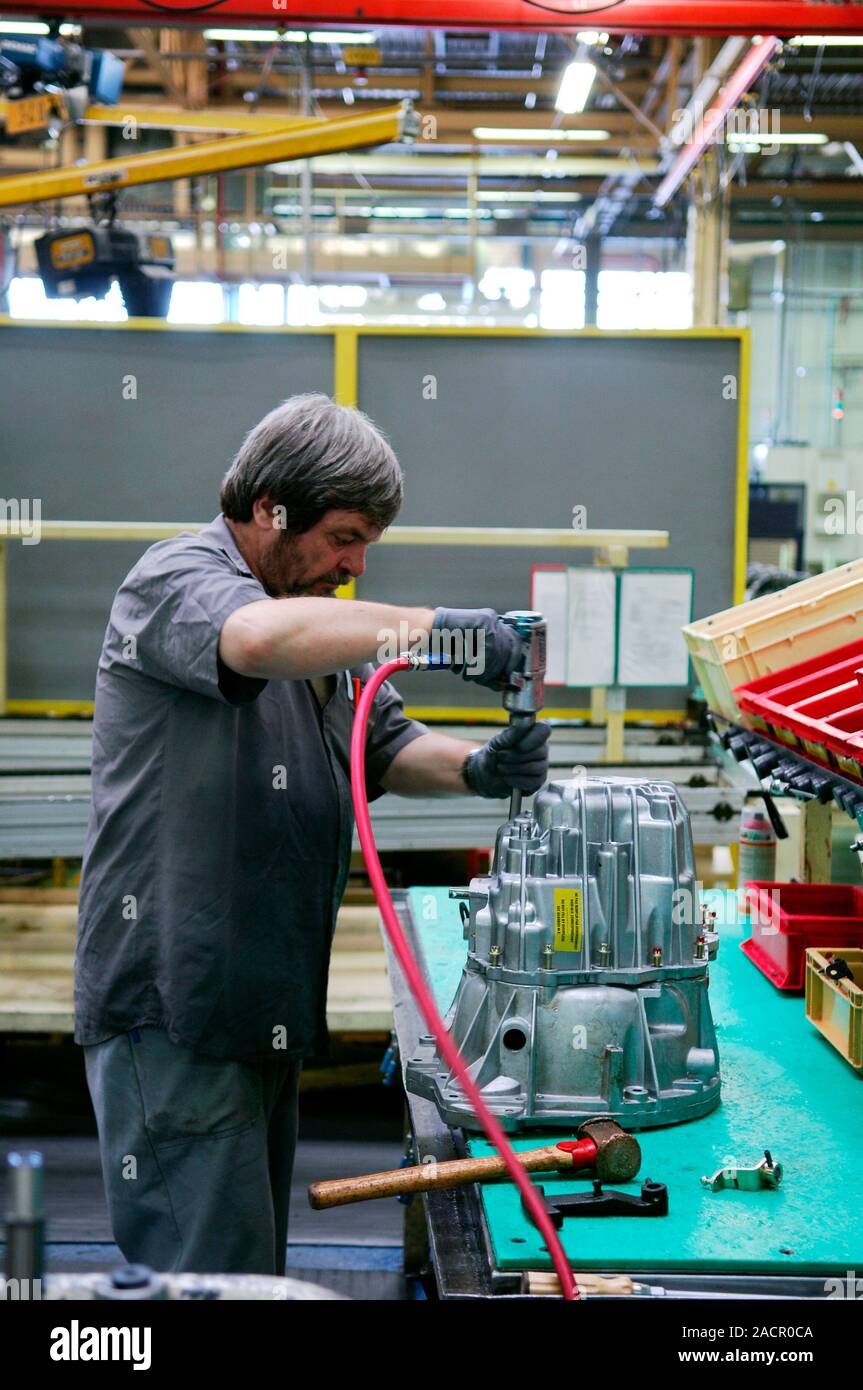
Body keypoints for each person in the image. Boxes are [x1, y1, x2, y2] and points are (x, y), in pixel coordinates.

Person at [75, 392, 550, 1276]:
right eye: (342, 537)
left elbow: (387, 742)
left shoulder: (317, 620)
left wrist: (480, 767)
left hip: (261, 1004)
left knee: (247, 1268)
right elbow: (253, 640)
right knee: (208, 1279)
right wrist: (440, 634)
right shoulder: (178, 579)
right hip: (174, 1005)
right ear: (269, 508)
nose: (354, 563)